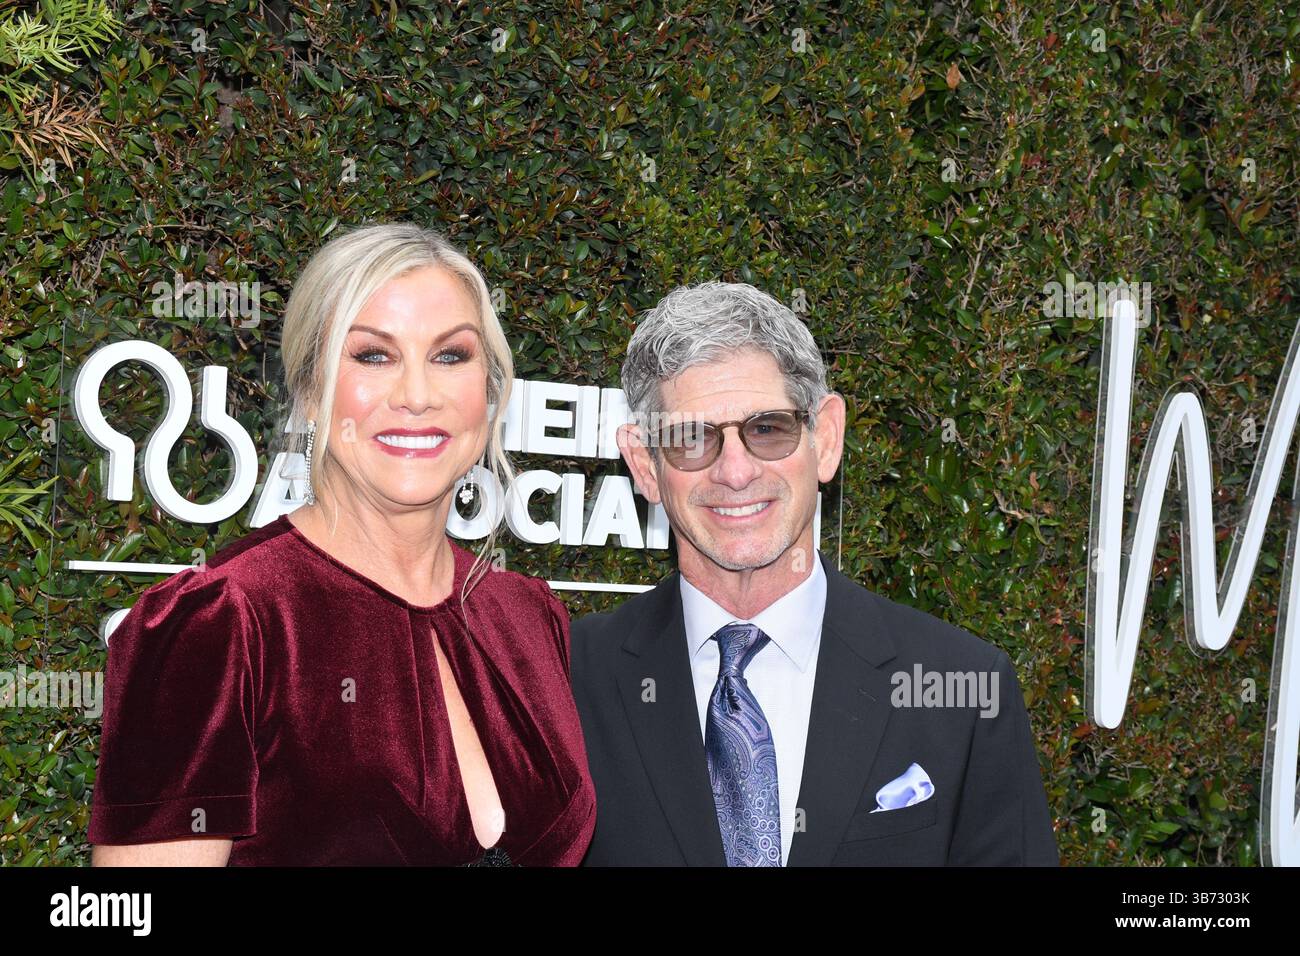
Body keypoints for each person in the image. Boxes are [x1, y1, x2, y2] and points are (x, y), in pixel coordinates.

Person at [88, 223, 595, 866]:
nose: (417, 395)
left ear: (490, 394)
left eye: (450, 356)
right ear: (308, 391)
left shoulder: (530, 616)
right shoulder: (219, 620)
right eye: (373, 356)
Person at [571, 281, 1058, 866]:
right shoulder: (568, 681)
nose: (735, 470)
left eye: (767, 429)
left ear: (825, 439)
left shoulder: (963, 687)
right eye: (692, 439)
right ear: (645, 465)